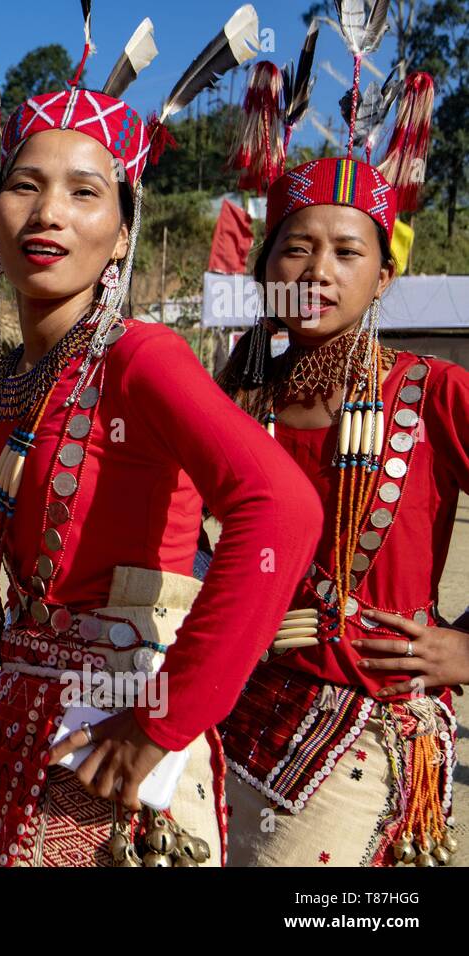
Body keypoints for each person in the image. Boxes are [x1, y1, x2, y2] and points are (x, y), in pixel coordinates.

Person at [0, 4, 320, 867]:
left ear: (122, 235)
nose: (47, 214)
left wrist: (162, 721)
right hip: (16, 743)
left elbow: (280, 508)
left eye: (84, 191)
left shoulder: (142, 357)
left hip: (112, 754)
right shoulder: (18, 378)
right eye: (24, 185)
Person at [216, 67, 465, 867]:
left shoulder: (435, 392)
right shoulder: (233, 400)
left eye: (347, 251)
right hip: (224, 714)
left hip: (361, 732)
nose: (318, 270)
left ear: (383, 277)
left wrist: (468, 647)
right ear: (265, 273)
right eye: (296, 248)